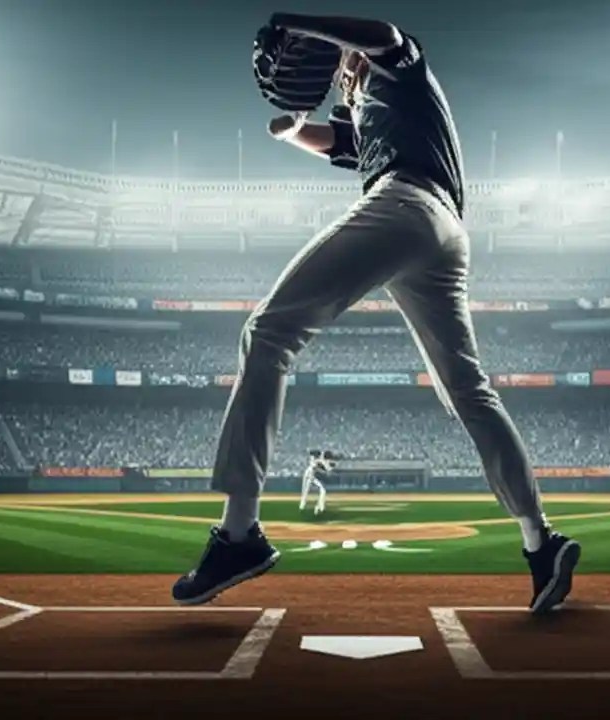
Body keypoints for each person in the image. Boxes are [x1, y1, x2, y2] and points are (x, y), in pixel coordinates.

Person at [172, 13, 580, 614]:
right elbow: (346, 147)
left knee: (269, 331)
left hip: (406, 206)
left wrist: (301, 22)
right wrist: (295, 135)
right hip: (440, 230)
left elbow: (385, 34)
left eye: (338, 58)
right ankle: (540, 542)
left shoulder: (400, 69)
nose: (336, 69)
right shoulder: (372, 106)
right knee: (469, 391)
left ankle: (239, 535)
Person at [300, 450, 333, 514]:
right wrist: (327, 469)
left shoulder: (319, 459)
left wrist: (326, 469)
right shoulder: (318, 460)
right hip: (308, 476)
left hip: (311, 476)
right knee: (305, 492)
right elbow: (318, 465)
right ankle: (303, 507)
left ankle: (320, 507)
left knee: (322, 490)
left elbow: (319, 467)